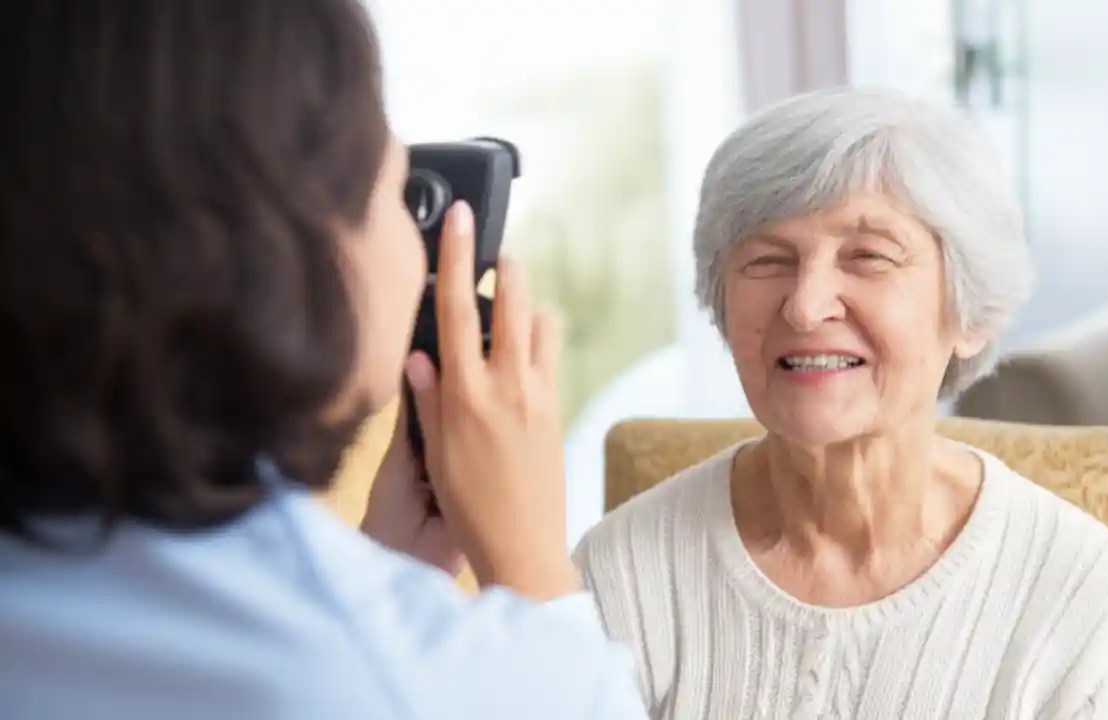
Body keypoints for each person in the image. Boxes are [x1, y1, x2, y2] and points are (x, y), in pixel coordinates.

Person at [0, 2, 644, 718]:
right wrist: (530, 565)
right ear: (295, 251)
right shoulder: (417, 679)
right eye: (396, 191)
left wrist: (383, 573)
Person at [573, 88, 1108, 719]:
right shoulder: (624, 573)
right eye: (769, 260)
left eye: (868, 257)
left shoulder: (1081, 594)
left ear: (969, 313)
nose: (806, 305)